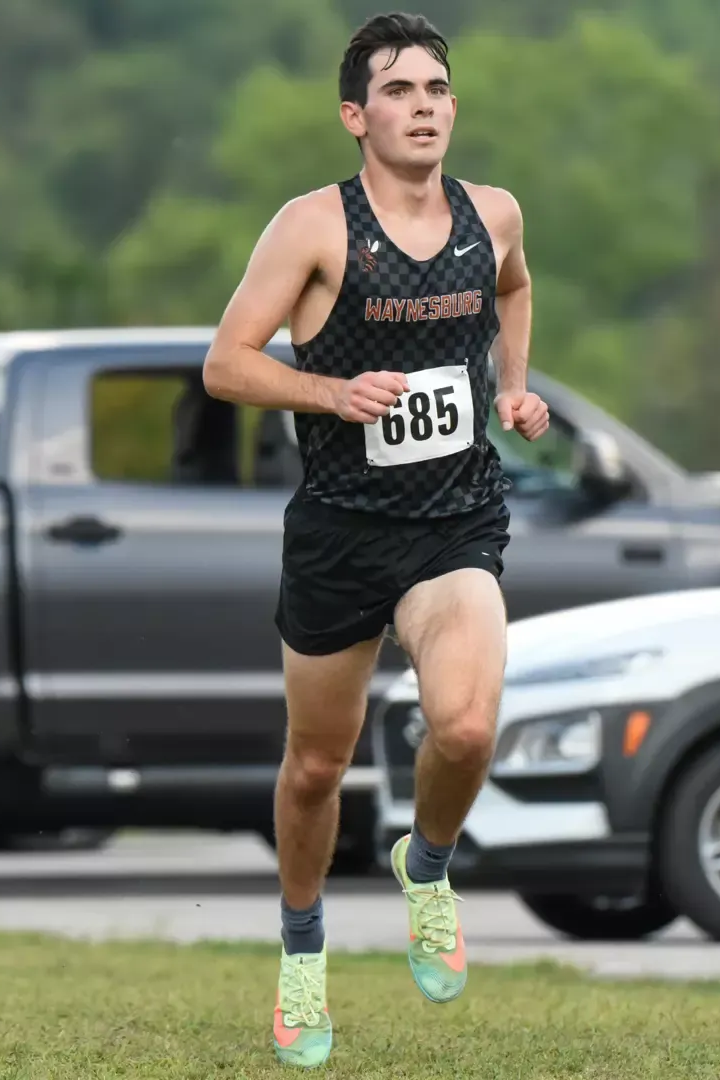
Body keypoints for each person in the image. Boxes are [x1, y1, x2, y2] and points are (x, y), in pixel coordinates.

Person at [202, 10, 548, 1070]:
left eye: (437, 90)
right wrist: (329, 392)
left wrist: (515, 391)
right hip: (341, 534)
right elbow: (225, 363)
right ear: (356, 115)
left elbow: (516, 288)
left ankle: (428, 867)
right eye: (399, 92)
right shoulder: (312, 227)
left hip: (456, 522)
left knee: (469, 729)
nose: (424, 108)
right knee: (316, 768)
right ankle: (302, 956)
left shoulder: (492, 215)